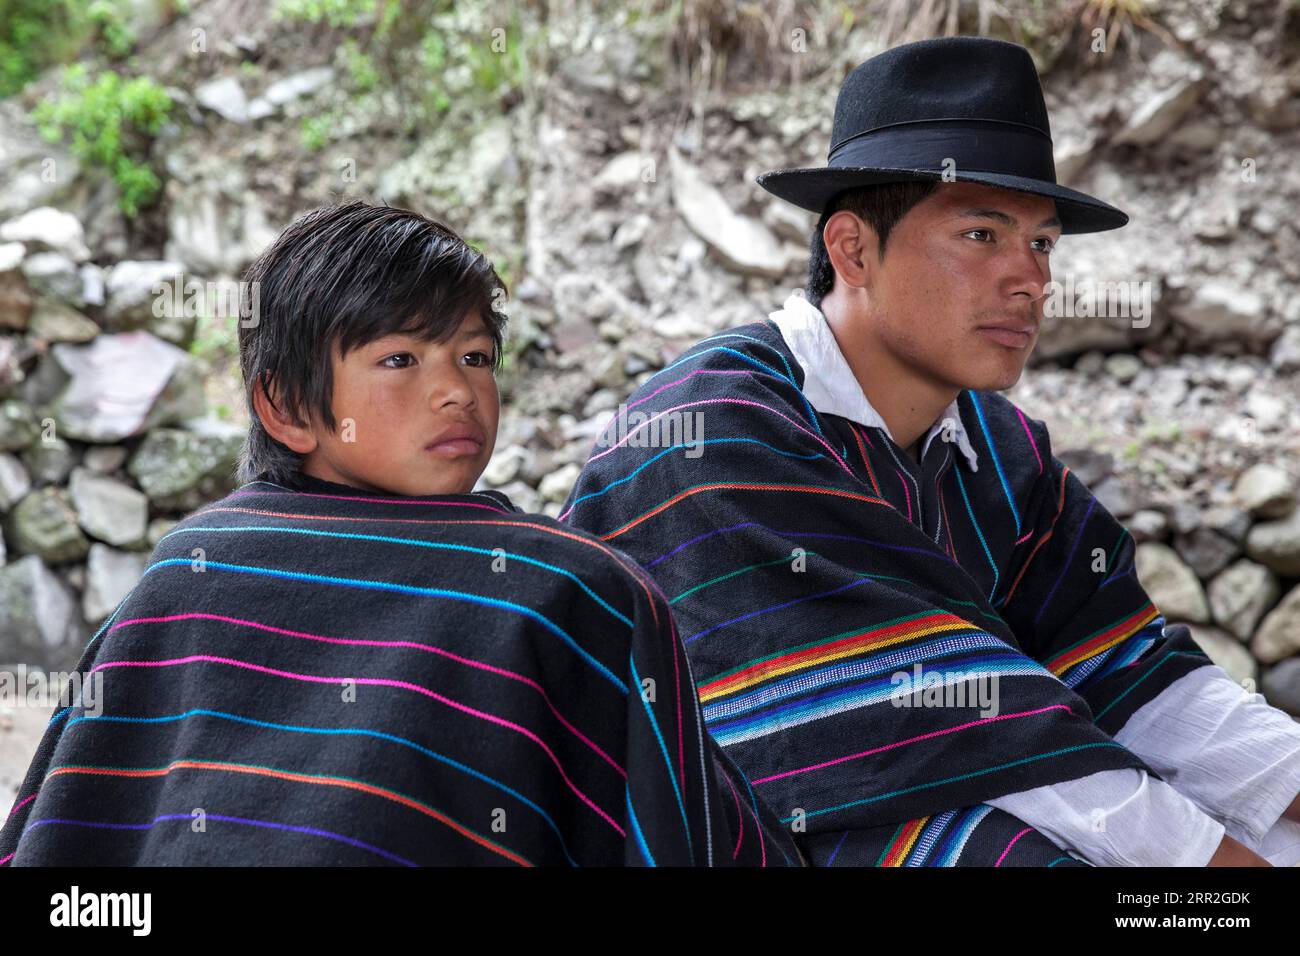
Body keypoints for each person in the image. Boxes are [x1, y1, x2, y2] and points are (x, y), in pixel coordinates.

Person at [561, 37, 1300, 867]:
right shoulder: (714, 432)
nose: (1030, 279)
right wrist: (1218, 875)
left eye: (1043, 244)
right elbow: (943, 728)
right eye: (982, 234)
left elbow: (1131, 670)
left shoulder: (1000, 452)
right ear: (853, 250)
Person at [0, 201, 803, 868]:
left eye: (476, 355)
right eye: (399, 360)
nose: (456, 390)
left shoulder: (566, 593)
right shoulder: (189, 578)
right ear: (283, 407)